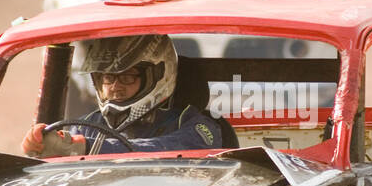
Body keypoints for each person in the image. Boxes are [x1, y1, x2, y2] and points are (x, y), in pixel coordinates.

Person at [21, 35, 222, 157]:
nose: (115, 87)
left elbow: (168, 150)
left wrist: (86, 148)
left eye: (127, 77)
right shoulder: (86, 126)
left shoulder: (196, 127)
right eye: (107, 79)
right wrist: (38, 143)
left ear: (159, 75)